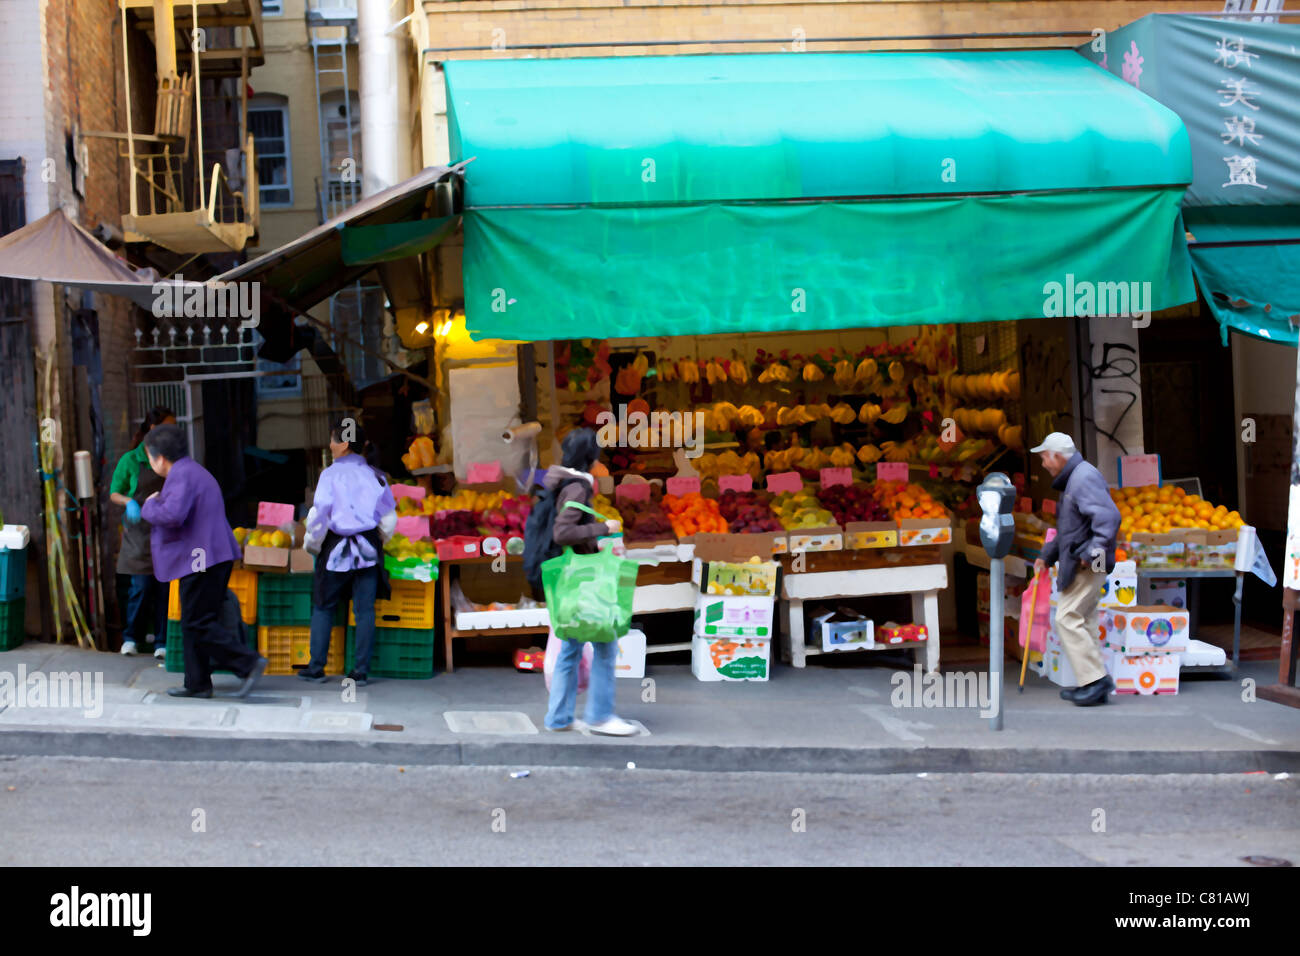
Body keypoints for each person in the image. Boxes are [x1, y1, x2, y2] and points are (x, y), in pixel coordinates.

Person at [140, 424, 267, 699]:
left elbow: (173, 515)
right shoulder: (192, 471)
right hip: (208, 556)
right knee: (194, 620)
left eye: (150, 458)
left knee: (197, 621)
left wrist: (150, 505)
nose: (151, 464)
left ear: (160, 457)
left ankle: (247, 662)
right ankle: (197, 683)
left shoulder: (181, 476)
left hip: (202, 559)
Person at [542, 428, 638, 736]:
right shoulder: (578, 487)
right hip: (586, 582)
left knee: (570, 648)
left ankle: (559, 718)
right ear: (591, 456)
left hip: (572, 579)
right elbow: (563, 532)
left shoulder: (561, 482)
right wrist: (602, 528)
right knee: (606, 645)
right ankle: (599, 716)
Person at [301, 418, 397, 686]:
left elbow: (318, 517)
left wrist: (312, 545)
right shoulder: (375, 476)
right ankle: (360, 672)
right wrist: (379, 541)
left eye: (332, 439)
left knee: (323, 607)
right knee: (365, 611)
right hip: (368, 549)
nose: (329, 445)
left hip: (334, 548)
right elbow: (389, 521)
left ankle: (316, 668)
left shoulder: (329, 475)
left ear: (343, 444)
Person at [1032, 432, 1122, 706]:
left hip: (1088, 564)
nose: (1044, 463)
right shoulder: (1076, 479)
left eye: (1045, 457)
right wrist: (1046, 557)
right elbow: (1068, 530)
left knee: (1067, 618)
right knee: (1085, 620)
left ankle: (1096, 681)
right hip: (1084, 560)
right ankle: (1093, 683)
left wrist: (1090, 555)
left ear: (1058, 456)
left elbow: (1109, 518)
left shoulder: (1083, 478)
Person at [109, 407, 176, 658]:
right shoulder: (131, 460)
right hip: (138, 536)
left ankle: (161, 641)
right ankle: (131, 638)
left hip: (165, 532)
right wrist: (129, 502)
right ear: (153, 428)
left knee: (164, 589)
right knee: (141, 587)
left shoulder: (170, 458)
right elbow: (114, 492)